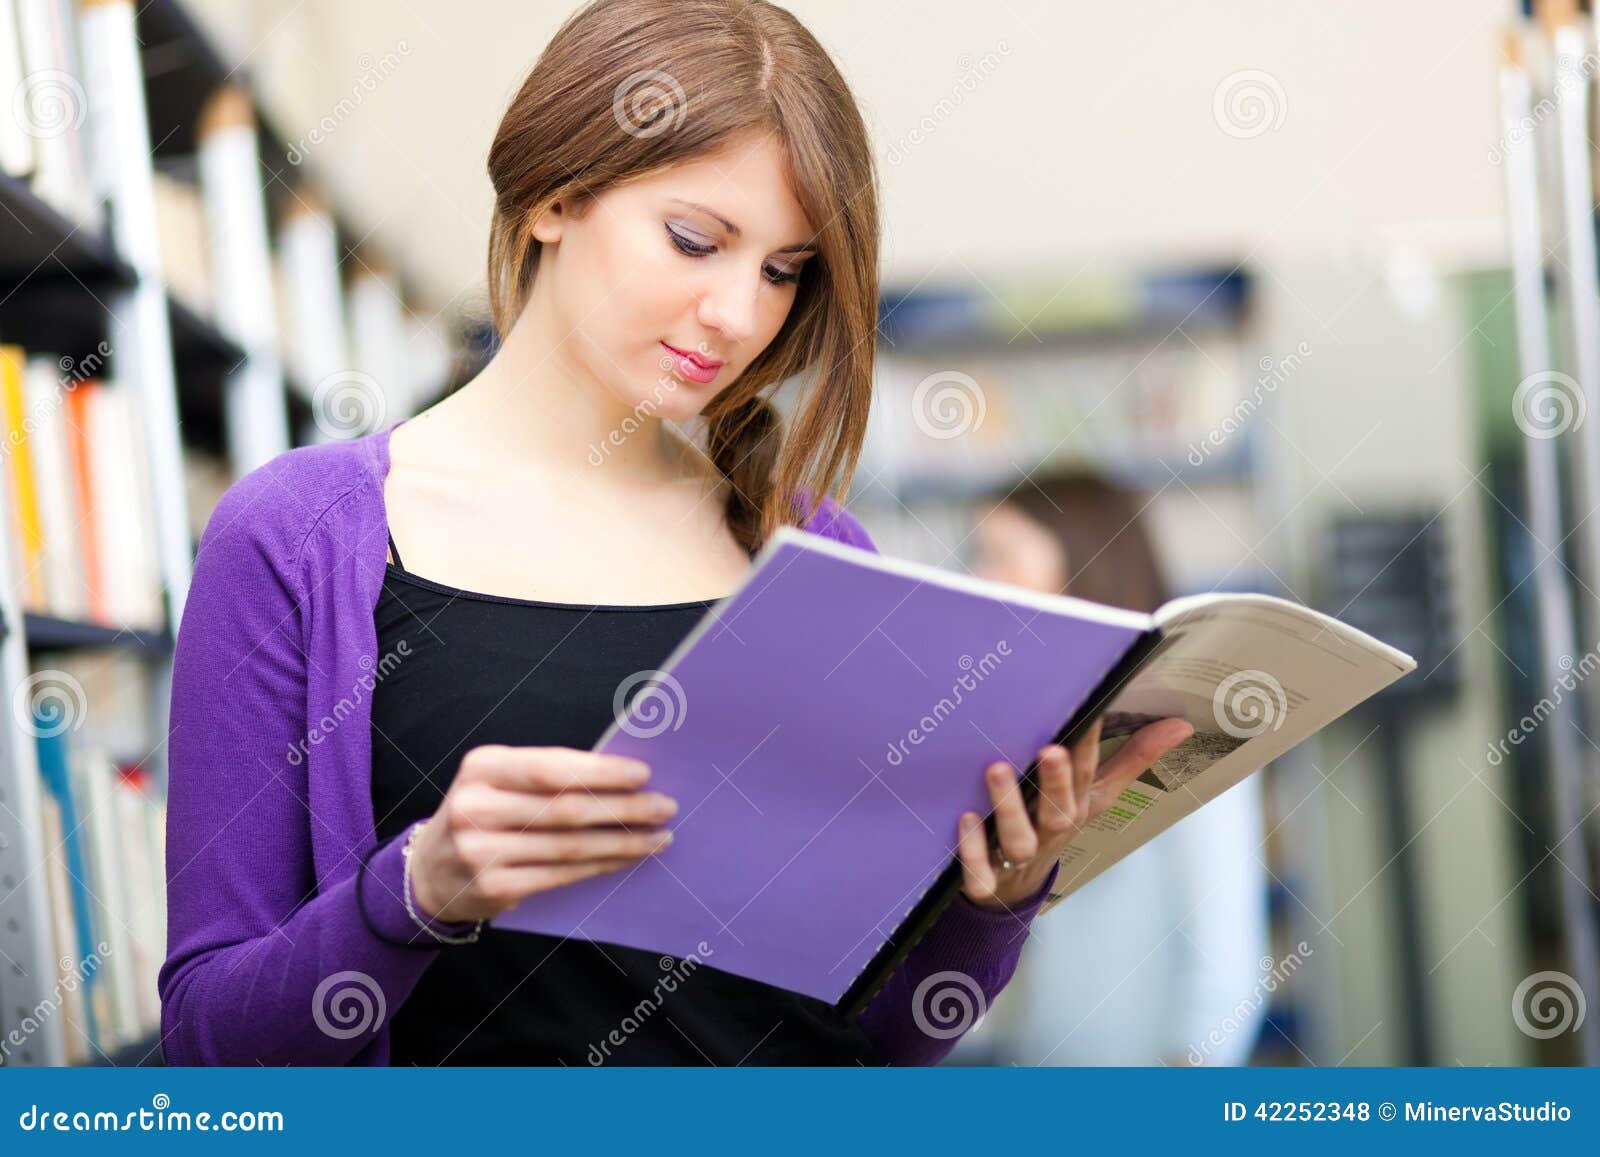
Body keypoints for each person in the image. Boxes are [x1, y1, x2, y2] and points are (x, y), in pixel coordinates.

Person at [157, 0, 1192, 1066]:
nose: (739, 315)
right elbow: (207, 1044)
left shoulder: (811, 550)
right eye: (696, 240)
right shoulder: (298, 538)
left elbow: (887, 1037)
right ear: (557, 196)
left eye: (784, 270)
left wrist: (996, 901)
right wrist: (410, 895)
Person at [964, 471, 1270, 1066]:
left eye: (999, 555)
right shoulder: (1023, 727)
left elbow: (1227, 944)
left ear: (1083, 562)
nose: (979, 578)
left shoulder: (1180, 726)